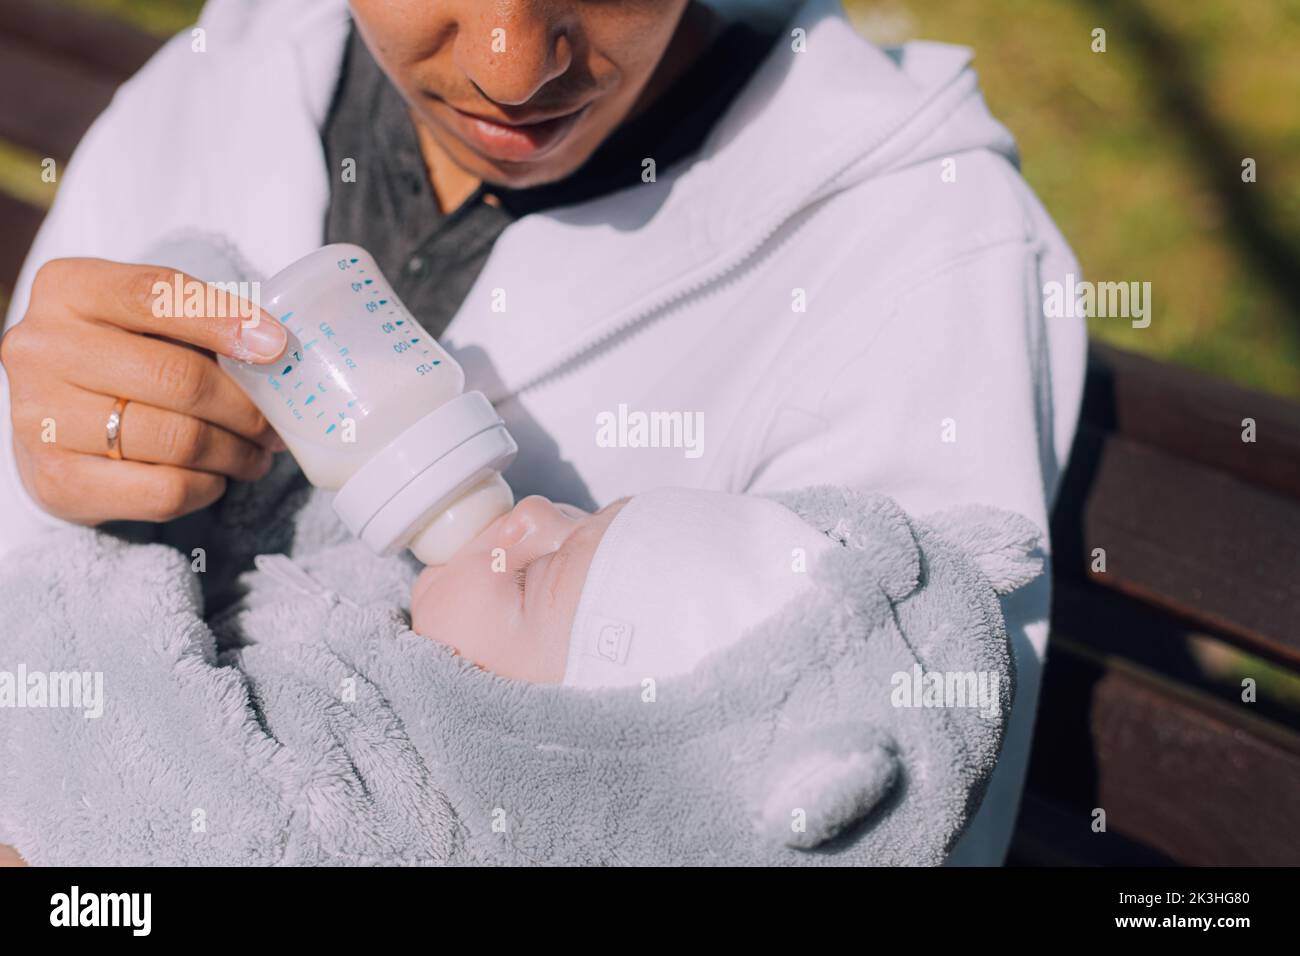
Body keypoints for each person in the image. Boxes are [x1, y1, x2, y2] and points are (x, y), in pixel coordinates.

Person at [0, 0, 1087, 864]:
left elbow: (879, 822)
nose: (512, 67)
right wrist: (55, 464)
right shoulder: (213, 86)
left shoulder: (915, 256)